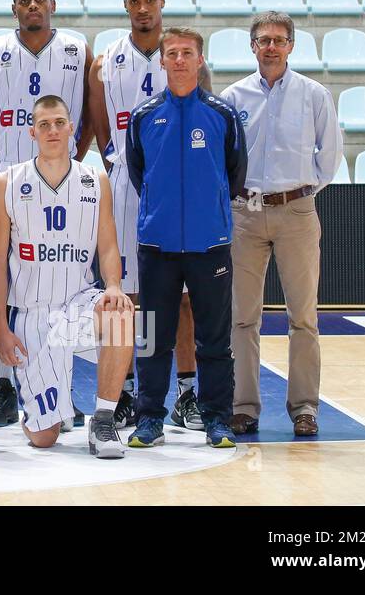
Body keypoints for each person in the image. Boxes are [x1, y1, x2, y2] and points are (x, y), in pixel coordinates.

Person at [86, 0, 212, 431]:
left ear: (162, 2)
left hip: (178, 186)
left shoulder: (182, 57)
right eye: (134, 0)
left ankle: (187, 392)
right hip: (125, 183)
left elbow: (206, 121)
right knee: (126, 296)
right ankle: (123, 392)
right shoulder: (104, 62)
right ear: (126, 6)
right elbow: (102, 132)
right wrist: (124, 168)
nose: (142, 8)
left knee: (182, 298)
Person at [0, 0, 93, 427]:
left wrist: (70, 160)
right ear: (14, 9)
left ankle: (60, 385)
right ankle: (5, 386)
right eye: (25, 1)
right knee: (2, 277)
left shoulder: (78, 50)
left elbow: (90, 115)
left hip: (63, 182)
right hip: (10, 178)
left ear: (53, 5)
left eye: (40, 0)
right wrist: (0, 158)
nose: (33, 6)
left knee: (62, 284)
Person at [0, 97, 135, 459]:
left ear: (71, 129)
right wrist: (0, 326)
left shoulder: (95, 180)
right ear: (32, 132)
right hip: (31, 314)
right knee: (44, 437)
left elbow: (108, 246)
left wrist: (114, 286)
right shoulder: (6, 183)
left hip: (78, 304)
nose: (52, 130)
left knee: (121, 313)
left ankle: (103, 419)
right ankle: (44, 408)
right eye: (44, 125)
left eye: (59, 123)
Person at [220, 12, 343, 438]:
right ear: (252, 46)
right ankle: (243, 407)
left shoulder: (313, 94)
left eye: (278, 40)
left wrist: (300, 193)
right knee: (242, 317)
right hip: (245, 214)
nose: (270, 47)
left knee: (303, 317)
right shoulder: (233, 97)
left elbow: (330, 155)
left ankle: (305, 407)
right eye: (263, 40)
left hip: (297, 212)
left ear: (291, 45)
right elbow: (224, 157)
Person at [125, 28, 247, 450]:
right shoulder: (143, 116)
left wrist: (205, 210)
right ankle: (149, 419)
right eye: (172, 53)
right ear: (161, 61)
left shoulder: (222, 114)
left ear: (200, 60)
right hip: (156, 245)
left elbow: (234, 175)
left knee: (214, 340)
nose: (179, 60)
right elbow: (139, 173)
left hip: (209, 243)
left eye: (187, 53)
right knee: (152, 338)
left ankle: (216, 419)